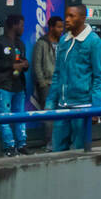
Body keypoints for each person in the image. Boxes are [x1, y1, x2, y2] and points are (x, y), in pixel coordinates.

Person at [45, 3, 101, 152]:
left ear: (82, 18)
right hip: (62, 106)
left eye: (71, 16)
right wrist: (50, 102)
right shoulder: (63, 40)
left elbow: (100, 78)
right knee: (57, 150)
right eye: (66, 15)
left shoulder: (94, 42)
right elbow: (58, 74)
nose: (66, 19)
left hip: (83, 107)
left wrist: (96, 108)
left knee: (79, 152)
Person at [0, 13, 31, 157]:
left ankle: (22, 145)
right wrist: (11, 66)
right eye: (22, 25)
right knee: (4, 117)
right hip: (2, 85)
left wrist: (24, 65)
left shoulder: (20, 44)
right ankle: (9, 147)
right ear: (14, 25)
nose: (23, 28)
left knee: (20, 116)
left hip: (18, 86)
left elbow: (22, 61)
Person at [31, 14, 64, 145]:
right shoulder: (42, 43)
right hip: (48, 84)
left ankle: (59, 142)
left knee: (61, 115)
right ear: (51, 28)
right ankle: (50, 143)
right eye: (59, 27)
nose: (62, 30)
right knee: (49, 115)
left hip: (61, 84)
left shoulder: (63, 43)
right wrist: (43, 84)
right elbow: (37, 64)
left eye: (62, 27)